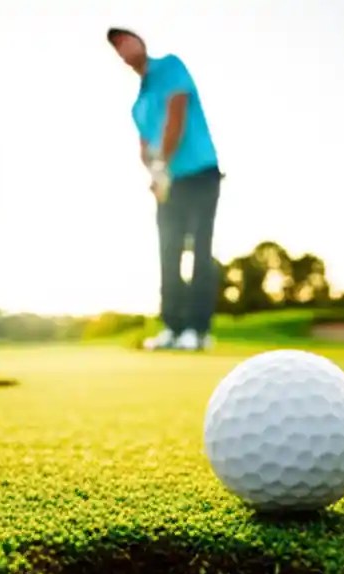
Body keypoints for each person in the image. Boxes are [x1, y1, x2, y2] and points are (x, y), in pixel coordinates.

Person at [107, 27, 223, 352]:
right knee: (168, 252)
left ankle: (198, 331)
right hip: (168, 182)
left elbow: (176, 118)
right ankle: (173, 327)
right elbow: (144, 147)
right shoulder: (138, 104)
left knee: (200, 249)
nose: (124, 46)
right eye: (118, 46)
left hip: (200, 173)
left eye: (126, 39)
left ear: (141, 42)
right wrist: (153, 170)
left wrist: (160, 166)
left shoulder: (170, 66)